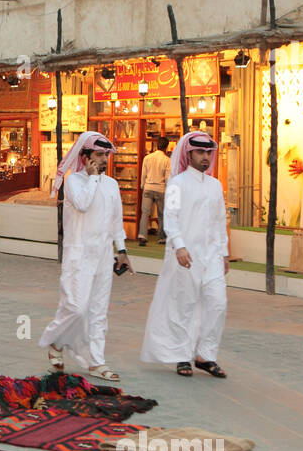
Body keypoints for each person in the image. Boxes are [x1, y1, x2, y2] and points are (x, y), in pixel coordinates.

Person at [38, 131, 132, 381]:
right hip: (78, 255)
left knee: (99, 310)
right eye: (98, 155)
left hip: (103, 256)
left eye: (106, 155)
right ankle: (56, 342)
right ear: (86, 157)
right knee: (76, 308)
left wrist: (121, 250)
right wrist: (91, 178)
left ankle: (96, 362)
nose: (103, 160)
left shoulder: (111, 184)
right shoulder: (74, 181)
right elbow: (82, 204)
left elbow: (116, 221)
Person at [140, 131, 229, 378]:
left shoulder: (215, 185)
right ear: (189, 154)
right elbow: (170, 217)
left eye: (208, 152)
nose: (204, 157)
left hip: (211, 256)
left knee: (218, 303)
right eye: (199, 152)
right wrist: (178, 246)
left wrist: (224, 252)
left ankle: (204, 355)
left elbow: (220, 221)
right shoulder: (177, 183)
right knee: (185, 304)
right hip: (186, 256)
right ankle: (181, 355)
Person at [140, 135, 172, 246]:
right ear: (166, 147)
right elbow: (168, 176)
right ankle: (161, 237)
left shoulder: (147, 158)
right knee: (162, 214)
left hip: (148, 187)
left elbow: (143, 173)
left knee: (145, 213)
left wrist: (142, 185)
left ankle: (142, 235)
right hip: (161, 188)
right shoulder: (167, 160)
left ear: (157, 145)